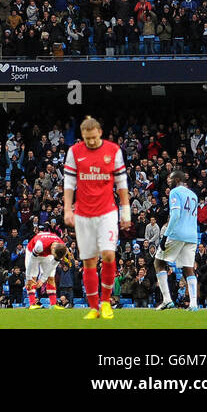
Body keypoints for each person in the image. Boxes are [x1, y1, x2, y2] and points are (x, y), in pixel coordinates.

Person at [63, 116, 130, 320]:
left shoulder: (113, 151)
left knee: (109, 255)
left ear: (100, 132)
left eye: (93, 137)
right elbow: (68, 183)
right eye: (86, 138)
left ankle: (106, 301)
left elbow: (121, 182)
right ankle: (93, 308)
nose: (90, 141)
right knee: (89, 261)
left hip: (107, 212)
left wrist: (125, 211)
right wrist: (68, 209)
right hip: (83, 214)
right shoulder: (74, 152)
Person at [155, 170, 200, 311]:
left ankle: (167, 299)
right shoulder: (193, 195)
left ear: (176, 179)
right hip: (192, 236)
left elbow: (175, 215)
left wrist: (165, 236)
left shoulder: (175, 192)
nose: (168, 181)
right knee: (188, 268)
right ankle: (193, 304)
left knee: (159, 262)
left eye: (170, 179)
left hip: (177, 234)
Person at [24, 230, 68, 309]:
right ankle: (32, 304)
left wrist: (42, 280)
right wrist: (28, 277)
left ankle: (53, 304)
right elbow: (31, 261)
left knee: (51, 277)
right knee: (32, 277)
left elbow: (52, 266)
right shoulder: (39, 246)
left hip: (46, 254)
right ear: (53, 248)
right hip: (32, 253)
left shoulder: (62, 249)